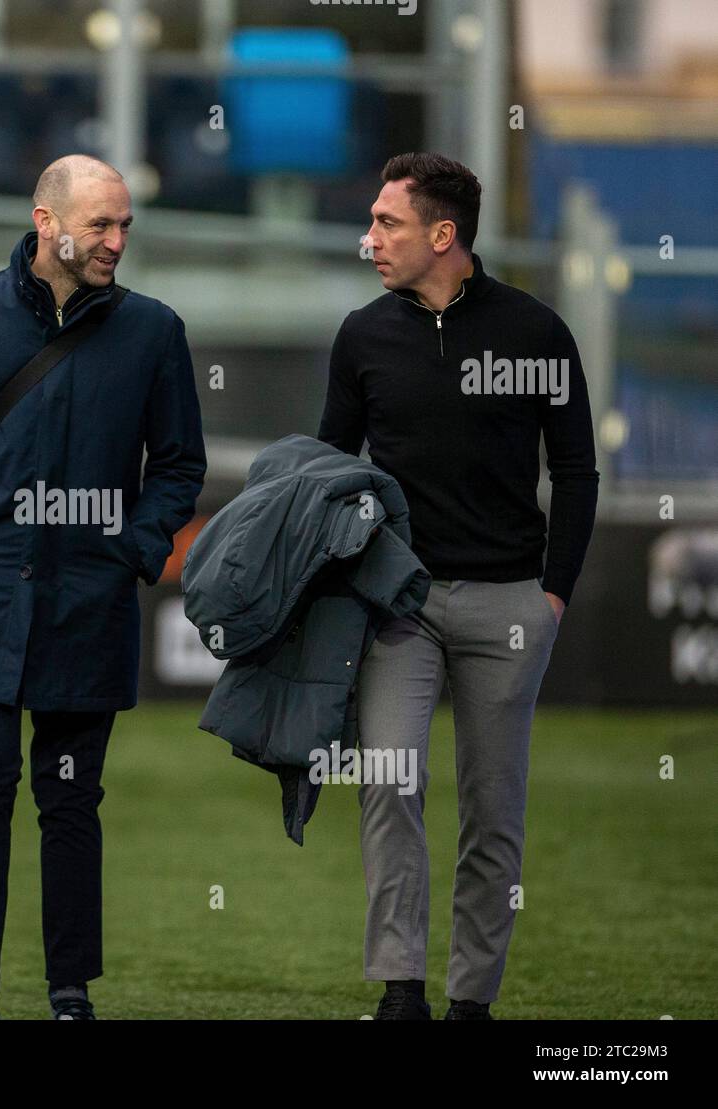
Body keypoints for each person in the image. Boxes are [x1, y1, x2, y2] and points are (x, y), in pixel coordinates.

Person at [0, 154, 206, 1019]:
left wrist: (135, 548)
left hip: (88, 604)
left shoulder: (154, 331)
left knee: (70, 798)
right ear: (46, 221)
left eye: (125, 226)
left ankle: (70, 991)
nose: (116, 241)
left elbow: (179, 464)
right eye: (101, 224)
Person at [318, 152, 598, 1020]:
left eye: (387, 224)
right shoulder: (362, 334)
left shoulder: (538, 330)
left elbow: (578, 468)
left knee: (493, 807)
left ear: (444, 236)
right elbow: (330, 470)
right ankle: (401, 990)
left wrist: (552, 592)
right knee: (391, 783)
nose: (369, 239)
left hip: (511, 603)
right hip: (400, 604)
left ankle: (471, 1000)